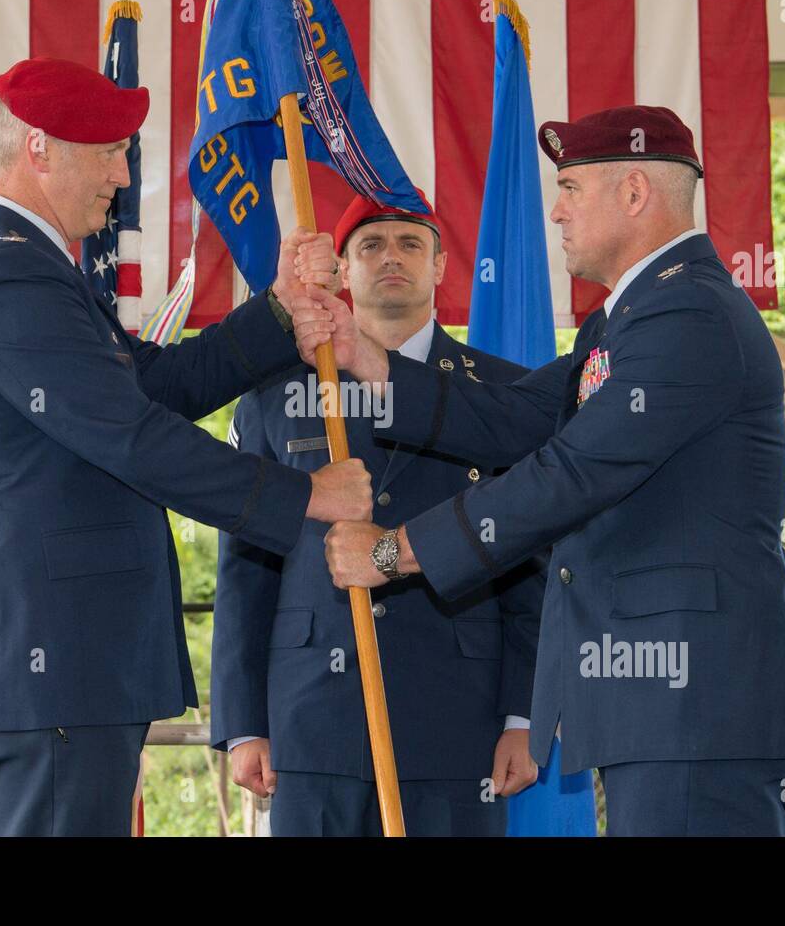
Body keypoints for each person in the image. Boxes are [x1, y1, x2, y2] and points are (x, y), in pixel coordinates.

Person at [320, 105, 785, 836]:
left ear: (633, 194)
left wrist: (390, 553)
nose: (556, 211)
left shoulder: (686, 315)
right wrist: (364, 359)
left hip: (699, 717)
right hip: (670, 716)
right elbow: (513, 418)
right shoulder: (634, 316)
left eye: (570, 188)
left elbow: (568, 475)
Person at [0, 56, 368, 836]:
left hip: (69, 664)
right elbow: (132, 437)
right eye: (104, 150)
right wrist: (306, 496)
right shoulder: (10, 278)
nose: (121, 173)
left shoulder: (33, 269)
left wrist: (277, 316)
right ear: (39, 149)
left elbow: (147, 388)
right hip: (54, 661)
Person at [211, 192, 543, 836]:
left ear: (442, 265)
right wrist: (244, 722)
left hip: (455, 718)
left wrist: (521, 717)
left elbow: (528, 564)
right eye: (371, 245)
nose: (392, 257)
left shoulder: (502, 393)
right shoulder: (275, 398)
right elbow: (245, 569)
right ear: (340, 268)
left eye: (411, 244)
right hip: (311, 722)